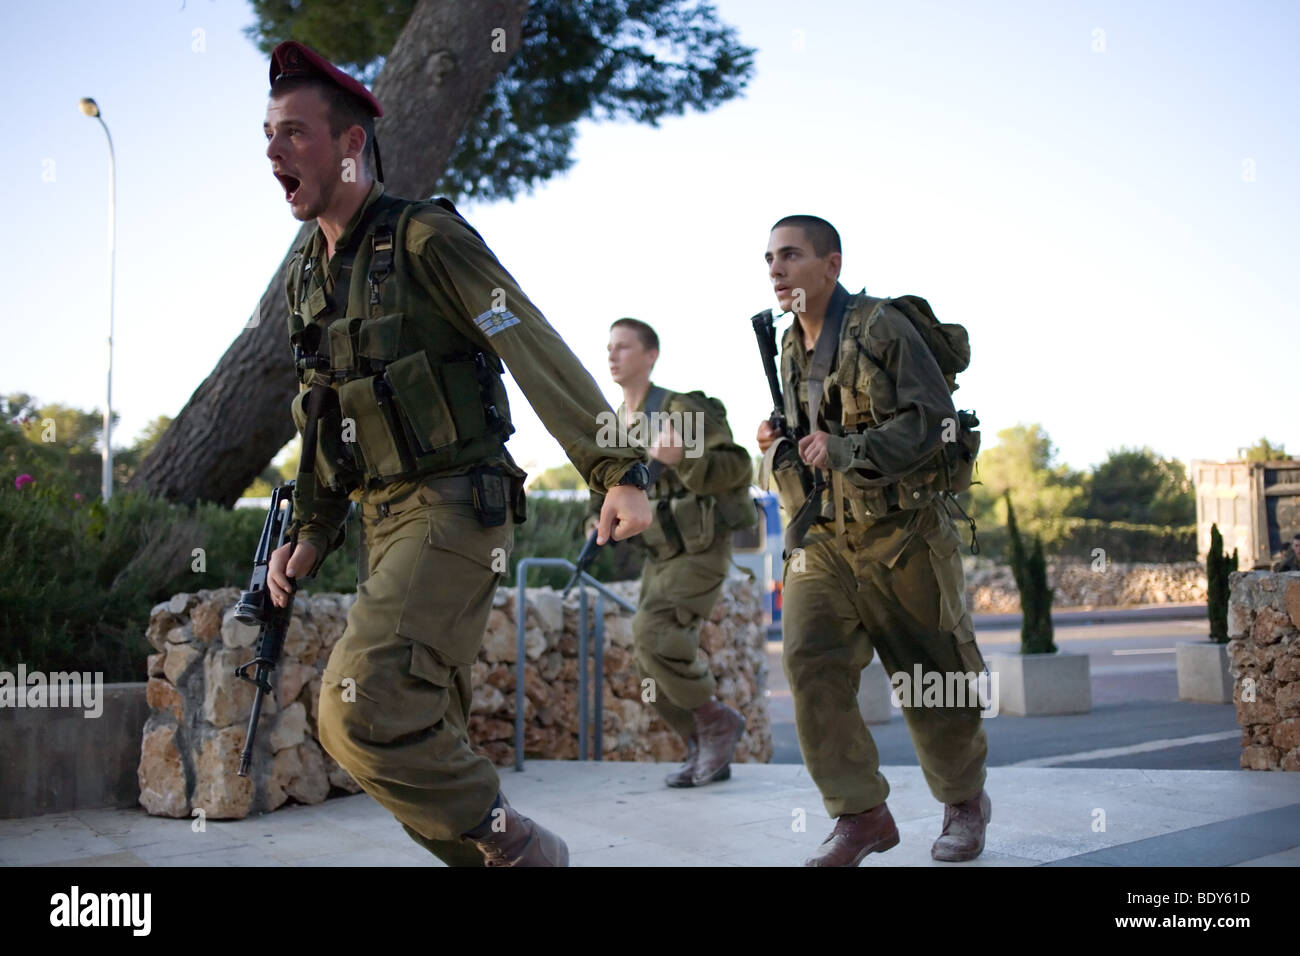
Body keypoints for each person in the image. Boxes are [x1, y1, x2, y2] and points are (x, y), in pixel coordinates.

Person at [260, 41, 651, 867]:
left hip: (455, 507)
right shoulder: (307, 275)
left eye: (294, 133)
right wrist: (316, 529)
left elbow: (527, 336)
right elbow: (324, 413)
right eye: (268, 134)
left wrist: (617, 466)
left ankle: (522, 845)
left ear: (351, 145)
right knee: (421, 728)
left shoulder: (424, 237)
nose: (272, 151)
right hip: (382, 520)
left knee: (357, 712)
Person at [754, 214, 991, 866]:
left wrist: (845, 447)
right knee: (809, 662)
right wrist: (783, 440)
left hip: (903, 535)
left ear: (831, 265)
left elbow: (936, 425)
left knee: (930, 681)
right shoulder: (787, 348)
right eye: (770, 257)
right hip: (826, 539)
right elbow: (813, 435)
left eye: (791, 255)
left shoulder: (884, 325)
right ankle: (860, 814)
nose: (775, 268)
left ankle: (964, 802)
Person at [594, 318, 754, 787]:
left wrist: (682, 455)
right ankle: (704, 741)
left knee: (653, 633)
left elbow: (737, 466)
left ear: (651, 355)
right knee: (647, 660)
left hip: (701, 547)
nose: (612, 355)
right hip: (659, 553)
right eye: (608, 347)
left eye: (623, 347)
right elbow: (606, 485)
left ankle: (715, 721)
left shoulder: (680, 409)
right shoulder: (615, 423)